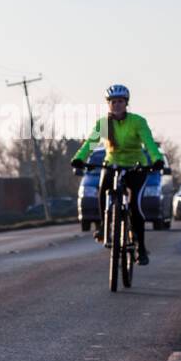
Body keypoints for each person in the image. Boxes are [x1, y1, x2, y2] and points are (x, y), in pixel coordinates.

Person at [70, 83, 165, 265]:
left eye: (120, 101)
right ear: (108, 104)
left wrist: (156, 159)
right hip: (112, 164)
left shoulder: (138, 122)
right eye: (113, 102)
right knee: (103, 190)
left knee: (135, 206)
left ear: (126, 103)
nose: (117, 105)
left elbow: (149, 143)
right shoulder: (103, 124)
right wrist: (79, 158)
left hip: (136, 167)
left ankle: (141, 249)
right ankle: (104, 225)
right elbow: (89, 144)